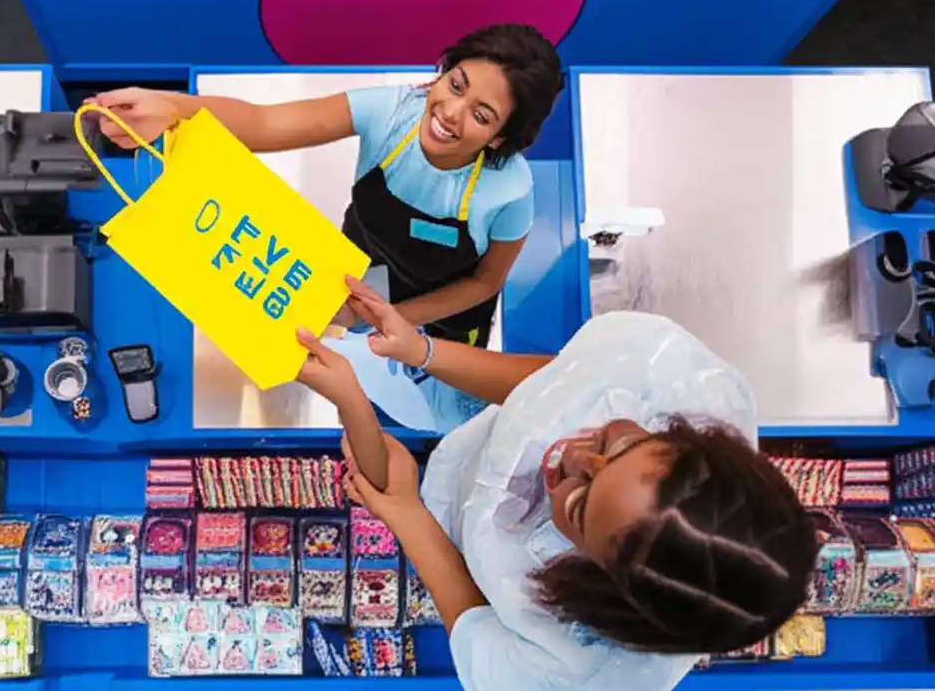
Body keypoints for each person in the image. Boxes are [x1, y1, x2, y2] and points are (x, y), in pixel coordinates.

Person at [293, 277, 817, 690]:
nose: (572, 455)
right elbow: (560, 382)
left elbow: (475, 623)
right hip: (469, 455)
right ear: (681, 434)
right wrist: (422, 352)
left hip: (455, 517)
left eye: (580, 507)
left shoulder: (577, 673)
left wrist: (408, 511)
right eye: (619, 441)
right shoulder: (683, 383)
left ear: (601, 589)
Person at [88, 23, 564, 348]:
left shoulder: (510, 191)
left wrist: (398, 320)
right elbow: (264, 123)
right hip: (356, 269)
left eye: (482, 115)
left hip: (445, 312)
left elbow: (485, 282)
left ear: (500, 137)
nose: (450, 113)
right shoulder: (391, 112)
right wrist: (173, 107)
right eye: (455, 84)